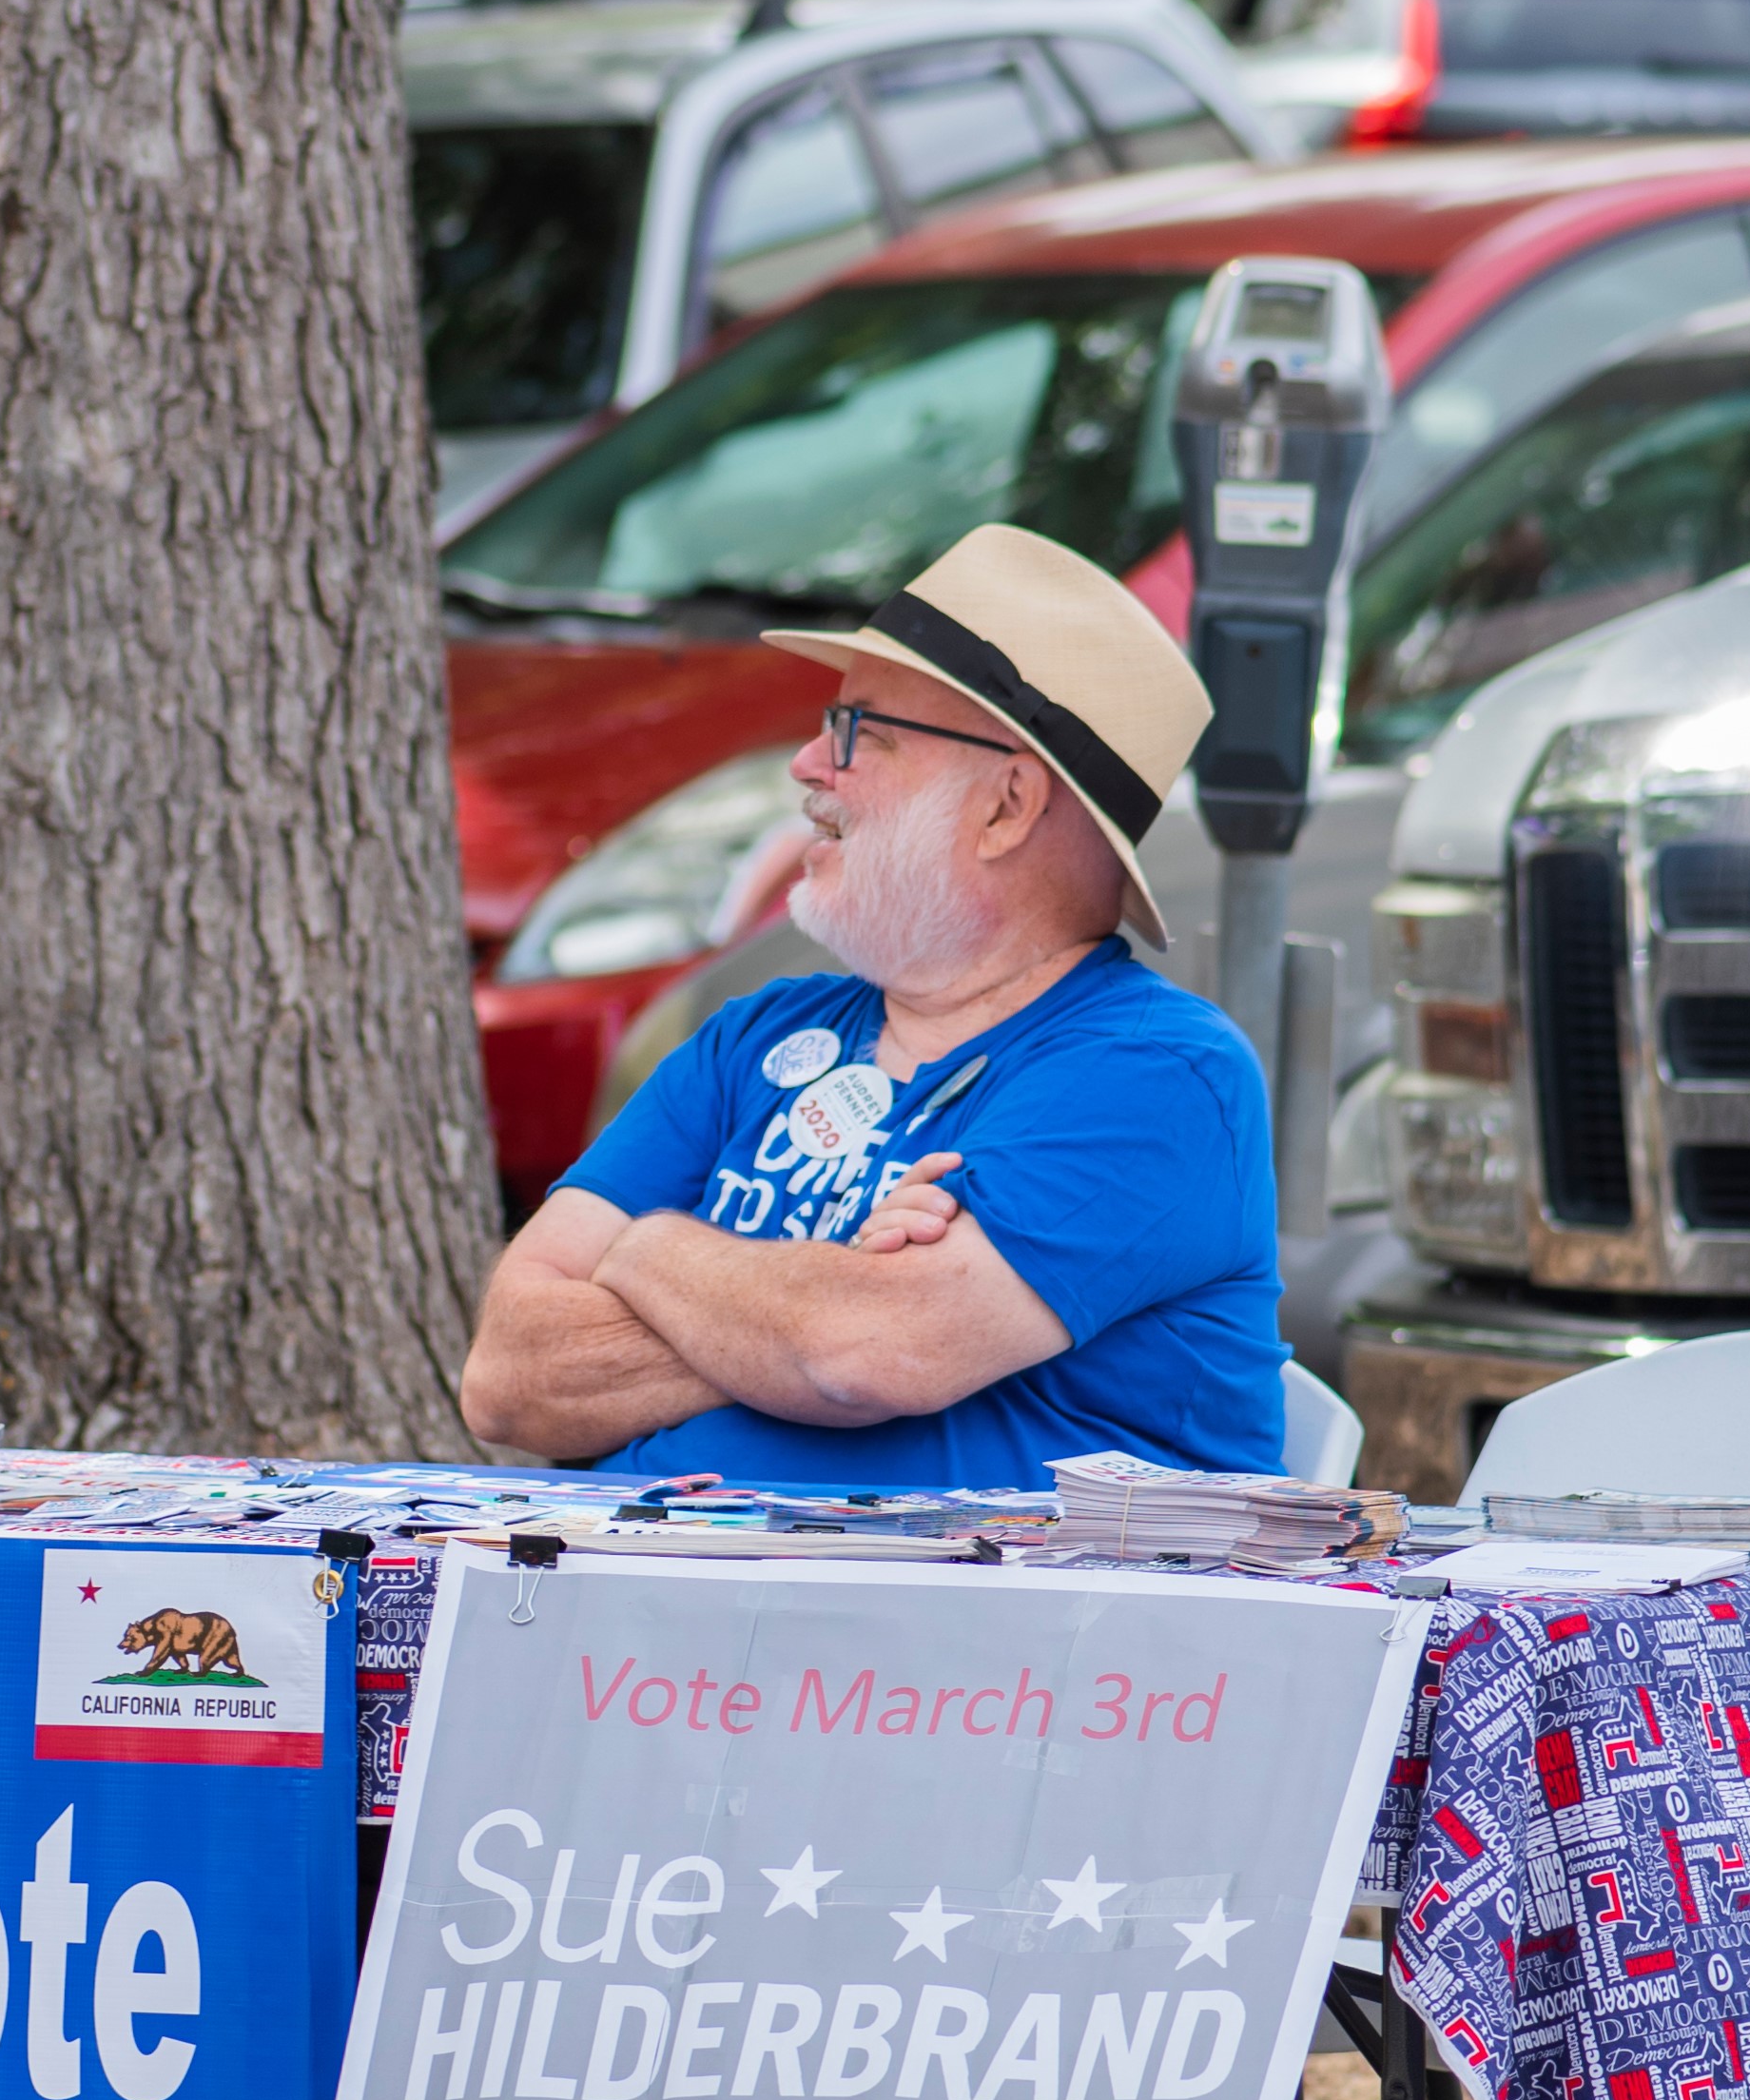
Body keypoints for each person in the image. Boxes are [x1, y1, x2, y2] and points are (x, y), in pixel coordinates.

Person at [457, 523, 1289, 1486]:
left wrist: (644, 1248)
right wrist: (806, 1298)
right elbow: (506, 1376)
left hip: (982, 1632)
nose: (807, 765)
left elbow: (864, 1354)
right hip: (657, 1615)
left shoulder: (1154, 1074)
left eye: (860, 731)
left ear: (1005, 808)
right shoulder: (755, 1034)